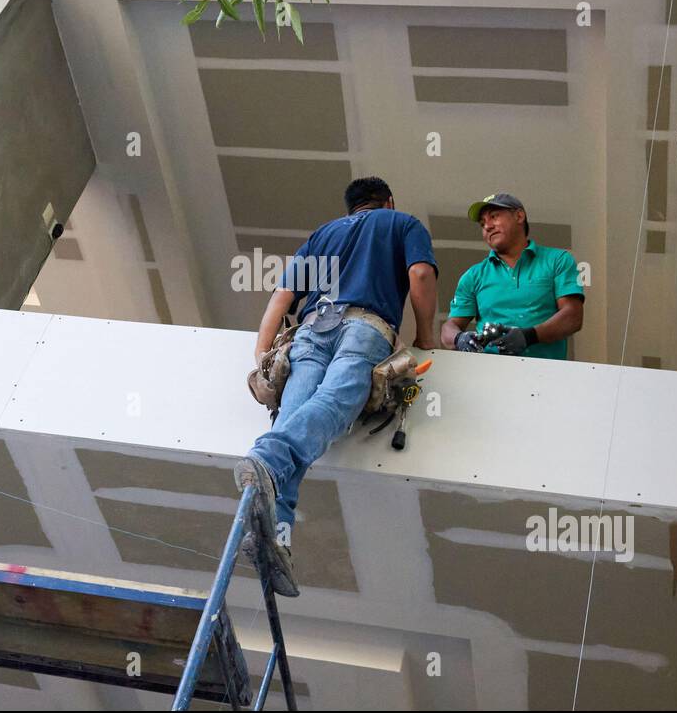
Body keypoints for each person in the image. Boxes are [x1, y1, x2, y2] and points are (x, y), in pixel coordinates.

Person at [235, 177, 438, 596]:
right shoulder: (402, 223)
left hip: (312, 328)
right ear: (388, 201)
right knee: (336, 404)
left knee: (293, 420)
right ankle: (269, 457)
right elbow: (419, 274)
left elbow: (282, 295)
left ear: (351, 208)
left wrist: (260, 351)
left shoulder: (323, 235)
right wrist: (426, 336)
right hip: (365, 327)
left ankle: (276, 536)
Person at [440, 192, 584, 359]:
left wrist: (528, 336)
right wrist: (459, 338)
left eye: (494, 217)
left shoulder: (557, 260)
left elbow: (573, 316)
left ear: (519, 216)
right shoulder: (473, 276)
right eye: (482, 223)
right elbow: (449, 328)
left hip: (546, 375)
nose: (487, 226)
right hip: (489, 377)